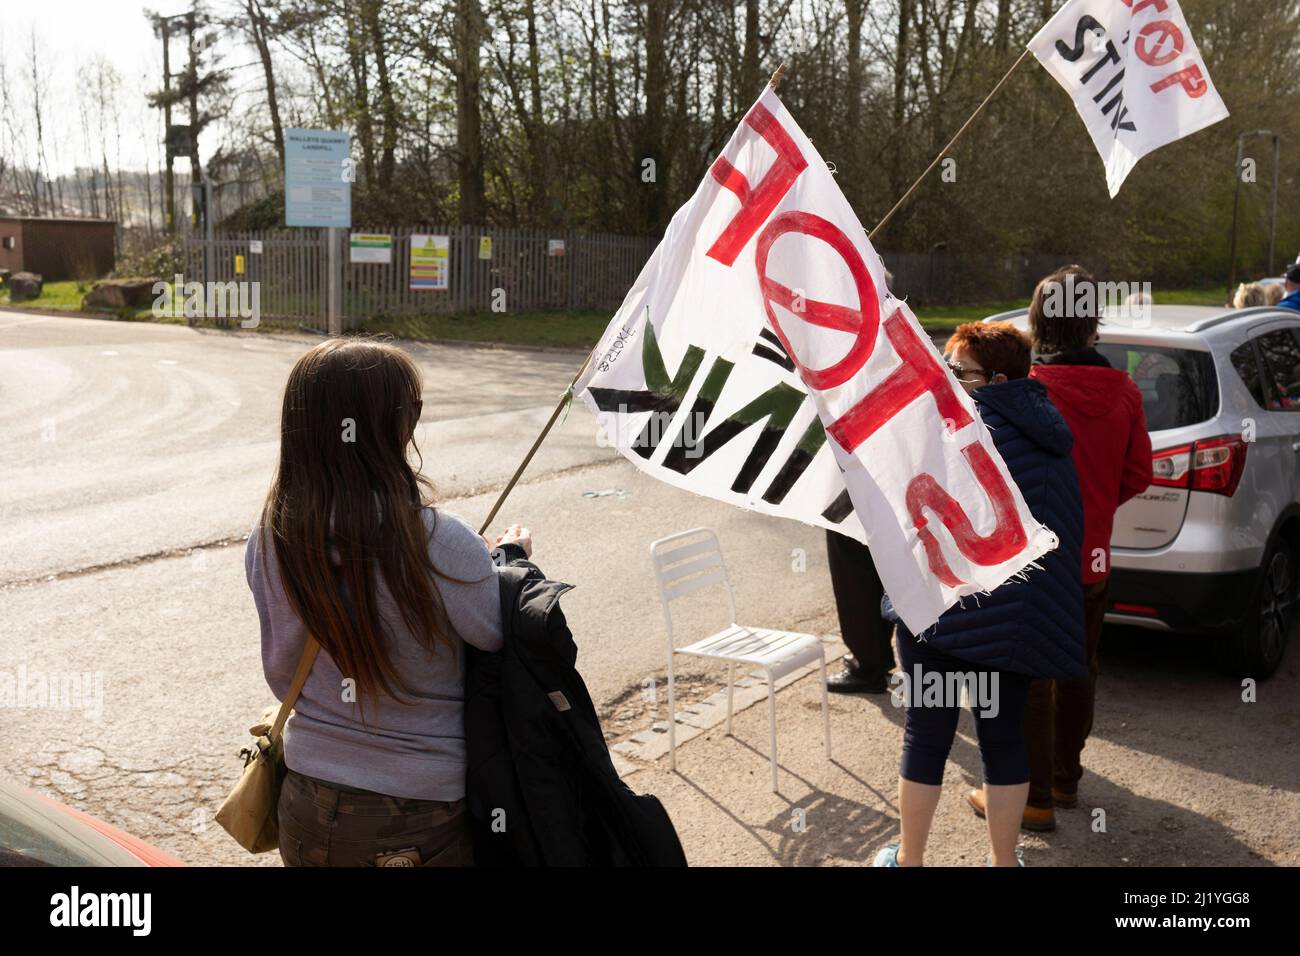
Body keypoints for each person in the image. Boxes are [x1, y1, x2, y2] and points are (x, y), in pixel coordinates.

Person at [246, 338, 532, 867]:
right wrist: (509, 561)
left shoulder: (268, 537)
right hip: (415, 812)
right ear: (393, 424)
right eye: (412, 409)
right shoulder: (439, 541)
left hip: (305, 796)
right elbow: (497, 635)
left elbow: (283, 668)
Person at [874, 323, 1087, 867]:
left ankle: (910, 860)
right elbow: (1061, 540)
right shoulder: (1053, 441)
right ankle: (1002, 861)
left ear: (994, 379)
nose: (946, 377)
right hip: (1011, 633)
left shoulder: (953, 431)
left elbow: (910, 516)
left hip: (942, 618)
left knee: (926, 738)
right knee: (1003, 744)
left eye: (957, 370)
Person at [967, 265, 1152, 832]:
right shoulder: (1123, 390)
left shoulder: (1026, 392)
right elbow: (1138, 473)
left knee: (1028, 677)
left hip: (1031, 557)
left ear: (1037, 321)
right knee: (1080, 669)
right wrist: (1095, 514)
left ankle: (1034, 796)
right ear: (1091, 321)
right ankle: (1066, 780)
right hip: (1091, 555)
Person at [823, 268, 899, 694]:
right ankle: (876, 657)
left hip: (859, 472)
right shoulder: (894, 327)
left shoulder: (854, 335)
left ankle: (869, 664)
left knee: (856, 571)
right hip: (875, 470)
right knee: (881, 568)